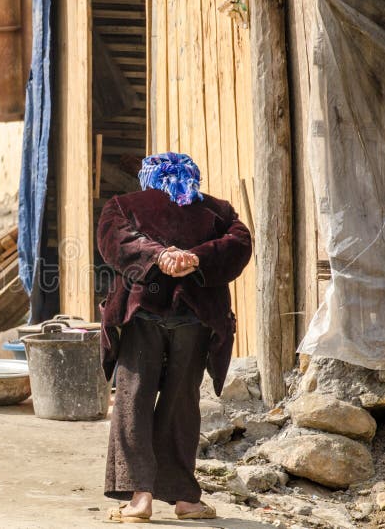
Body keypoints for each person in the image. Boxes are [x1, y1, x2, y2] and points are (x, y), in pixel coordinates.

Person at [96, 152, 252, 522]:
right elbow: (240, 243)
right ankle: (185, 499)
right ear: (192, 178)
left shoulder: (124, 205)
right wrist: (195, 257)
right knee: (182, 402)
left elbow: (114, 241)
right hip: (195, 318)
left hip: (141, 314)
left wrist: (158, 255)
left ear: (148, 179)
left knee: (133, 399)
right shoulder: (218, 211)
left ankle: (140, 499)